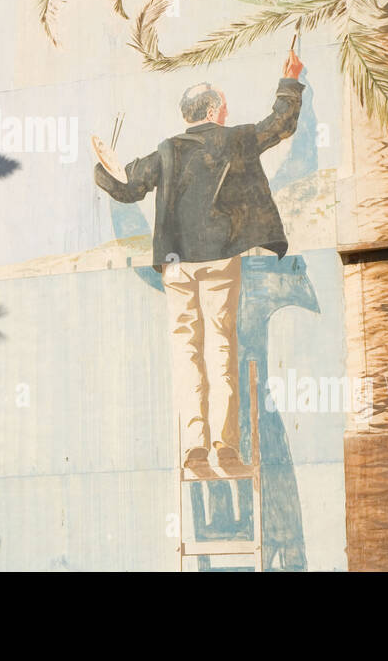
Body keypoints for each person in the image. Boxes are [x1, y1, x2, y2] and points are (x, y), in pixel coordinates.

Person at [92, 51, 305, 468]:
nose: (226, 111)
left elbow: (127, 185)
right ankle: (225, 447)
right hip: (219, 260)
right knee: (221, 349)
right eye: (222, 105)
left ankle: (194, 445)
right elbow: (280, 124)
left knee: (186, 353)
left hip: (176, 265)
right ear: (211, 110)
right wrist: (290, 80)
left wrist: (103, 167)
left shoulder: (166, 151)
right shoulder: (233, 139)